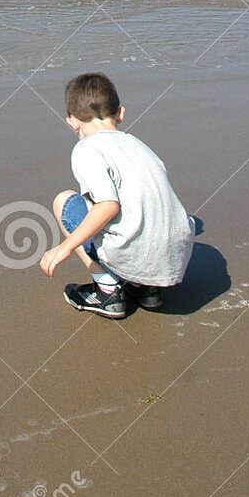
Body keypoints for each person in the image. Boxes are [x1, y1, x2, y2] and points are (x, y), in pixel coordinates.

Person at [39, 71, 194, 319]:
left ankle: (108, 289)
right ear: (120, 113)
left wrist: (65, 248)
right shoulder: (139, 146)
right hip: (174, 260)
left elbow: (108, 206)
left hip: (137, 255)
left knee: (64, 201)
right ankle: (146, 289)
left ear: (72, 122)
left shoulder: (86, 149)